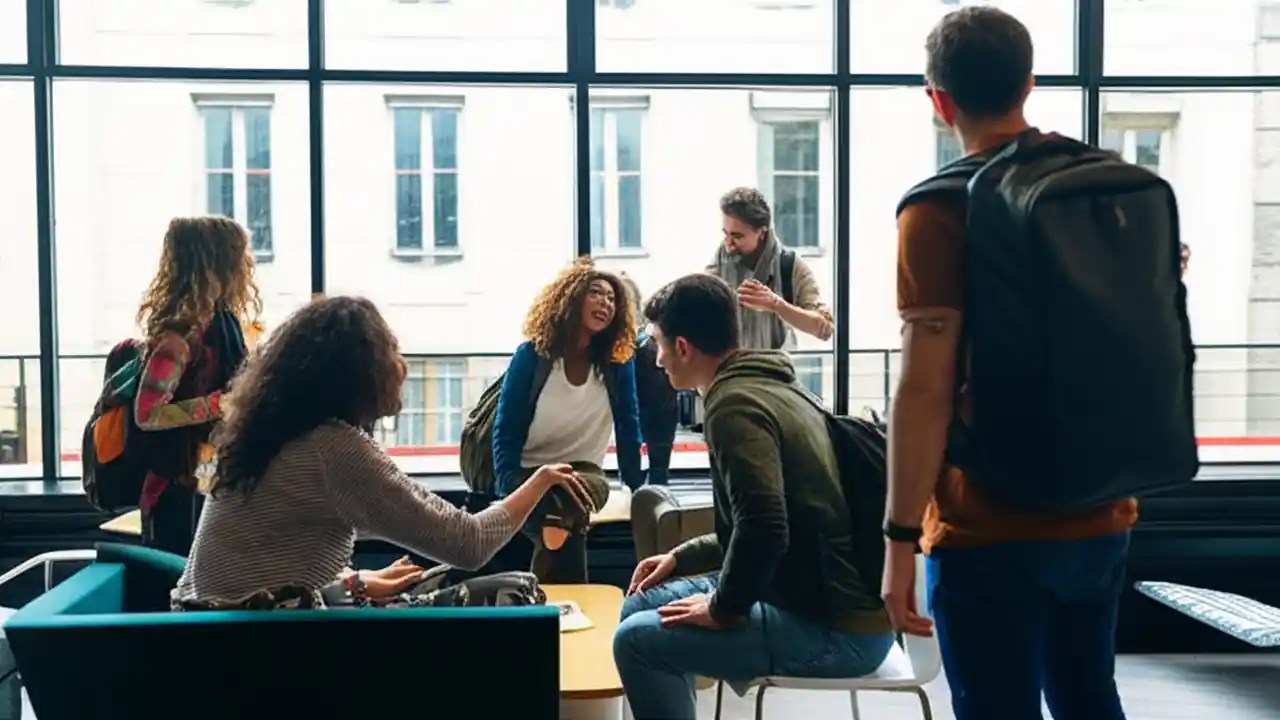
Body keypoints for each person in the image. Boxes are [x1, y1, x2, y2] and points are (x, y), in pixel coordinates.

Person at [883, 8, 1156, 719]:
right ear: (1028, 83)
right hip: (1102, 509)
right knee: (1089, 698)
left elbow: (924, 391)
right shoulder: (1106, 183)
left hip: (987, 525)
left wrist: (899, 541)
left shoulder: (937, 210)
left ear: (937, 100)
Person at [172, 295, 596, 608]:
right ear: (360, 373)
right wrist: (540, 483)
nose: (401, 365)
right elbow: (469, 542)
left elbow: (275, 551)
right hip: (261, 638)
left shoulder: (271, 434)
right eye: (391, 353)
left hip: (213, 625)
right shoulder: (333, 448)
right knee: (516, 591)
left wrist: (353, 583)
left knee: (427, 578)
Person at [613, 273, 893, 720]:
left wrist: (723, 609)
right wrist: (680, 558)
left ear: (683, 347)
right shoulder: (773, 384)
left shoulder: (734, 406)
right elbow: (768, 524)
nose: (658, 359)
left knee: (637, 642)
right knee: (642, 602)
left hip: (838, 629)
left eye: (660, 345)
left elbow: (765, 526)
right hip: (820, 594)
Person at [493, 258, 644, 583]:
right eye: (596, 293)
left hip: (585, 473)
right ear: (572, 298)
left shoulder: (617, 364)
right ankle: (565, 616)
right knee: (561, 524)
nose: (606, 302)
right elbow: (507, 426)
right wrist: (509, 486)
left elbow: (629, 424)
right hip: (529, 474)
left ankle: (544, 613)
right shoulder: (533, 356)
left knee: (566, 501)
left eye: (612, 299)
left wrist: (637, 486)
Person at [133, 216, 261, 556]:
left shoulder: (222, 326)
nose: (248, 266)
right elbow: (148, 414)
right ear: (218, 264)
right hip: (173, 484)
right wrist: (222, 403)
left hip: (203, 470)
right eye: (240, 257)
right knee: (178, 578)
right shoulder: (180, 337)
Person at [707, 187, 833, 350]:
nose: (729, 244)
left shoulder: (789, 266)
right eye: (726, 234)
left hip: (775, 371)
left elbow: (824, 329)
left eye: (737, 236)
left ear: (761, 231)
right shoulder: (720, 261)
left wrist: (776, 305)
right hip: (730, 371)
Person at [620, 273, 678, 486]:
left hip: (651, 408)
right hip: (655, 409)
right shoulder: (647, 342)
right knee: (657, 469)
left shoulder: (645, 342)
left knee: (643, 468)